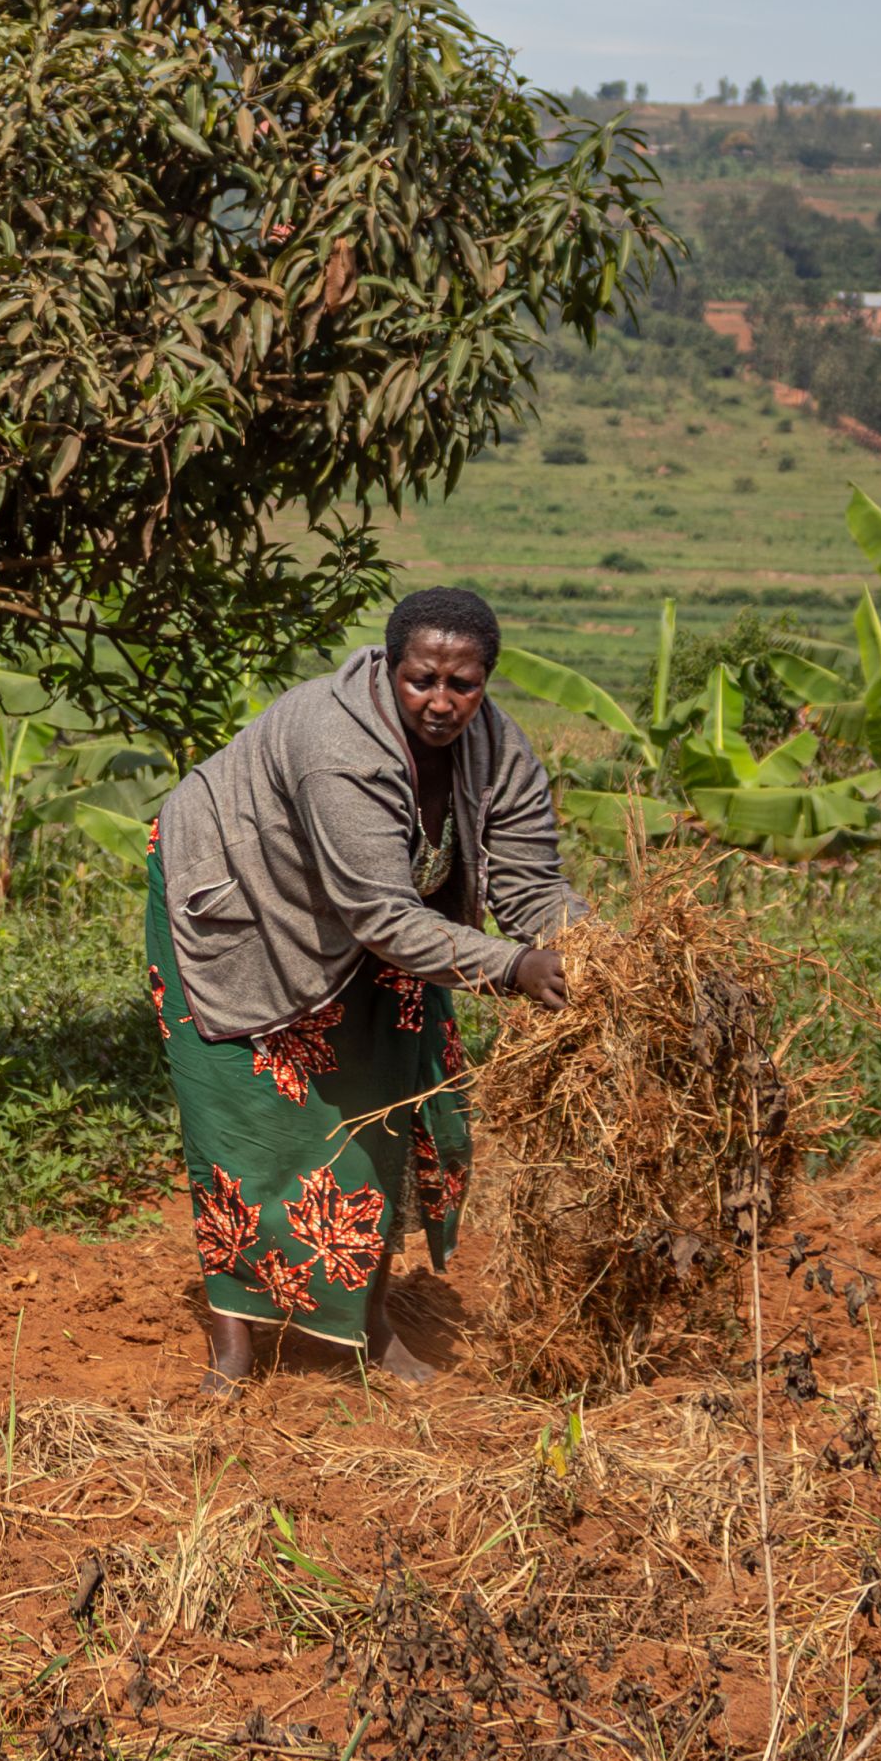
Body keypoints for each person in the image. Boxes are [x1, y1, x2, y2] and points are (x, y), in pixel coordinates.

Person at [144, 586, 577, 1394]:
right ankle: (234, 1345)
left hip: (369, 915)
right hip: (236, 902)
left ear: (486, 680)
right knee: (239, 1127)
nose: (441, 702)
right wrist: (514, 967)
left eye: (463, 684)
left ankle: (370, 1325)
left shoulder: (498, 749)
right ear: (389, 665)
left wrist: (594, 951)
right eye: (422, 680)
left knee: (386, 1105)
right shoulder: (337, 743)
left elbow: (531, 880)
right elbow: (382, 915)